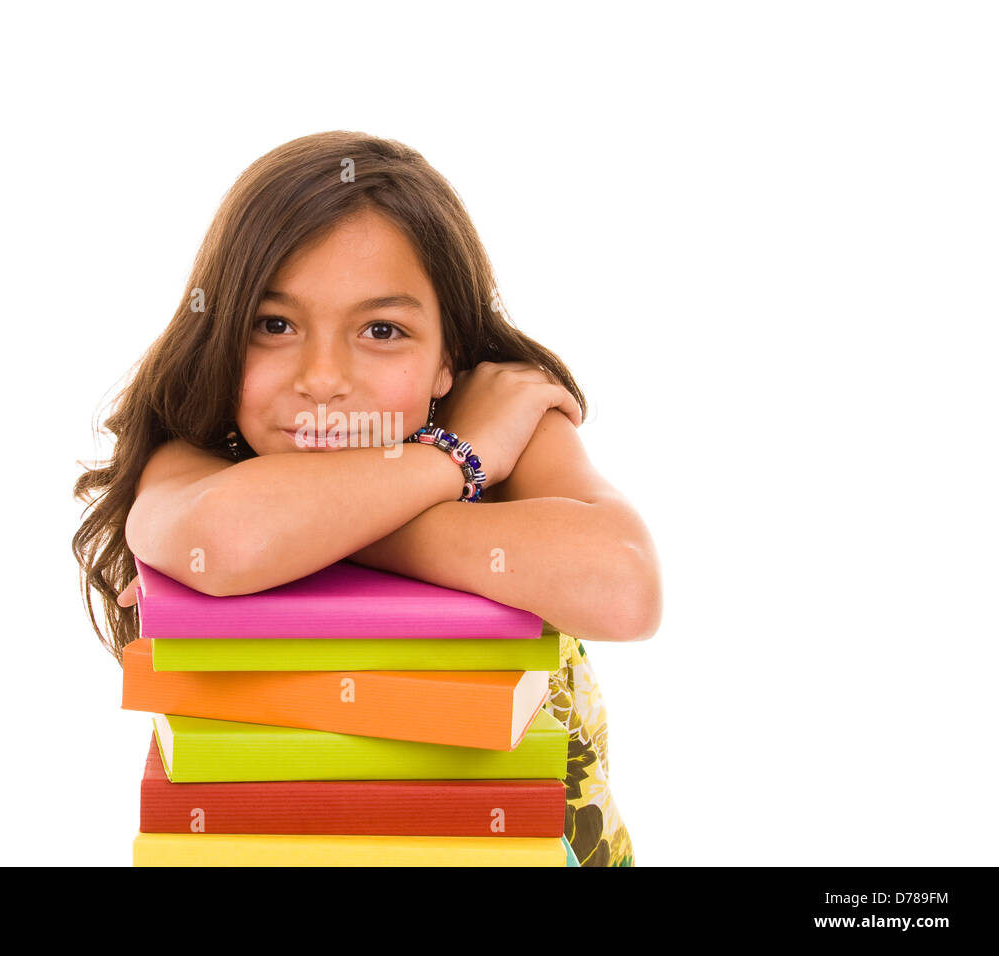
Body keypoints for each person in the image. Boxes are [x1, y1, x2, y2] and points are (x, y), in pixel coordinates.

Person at [72, 130, 661, 867]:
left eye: (383, 329)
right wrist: (451, 465)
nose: (322, 379)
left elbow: (623, 590)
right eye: (274, 325)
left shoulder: (506, 416)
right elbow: (229, 542)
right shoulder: (195, 459)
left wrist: (323, 541)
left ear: (450, 356)